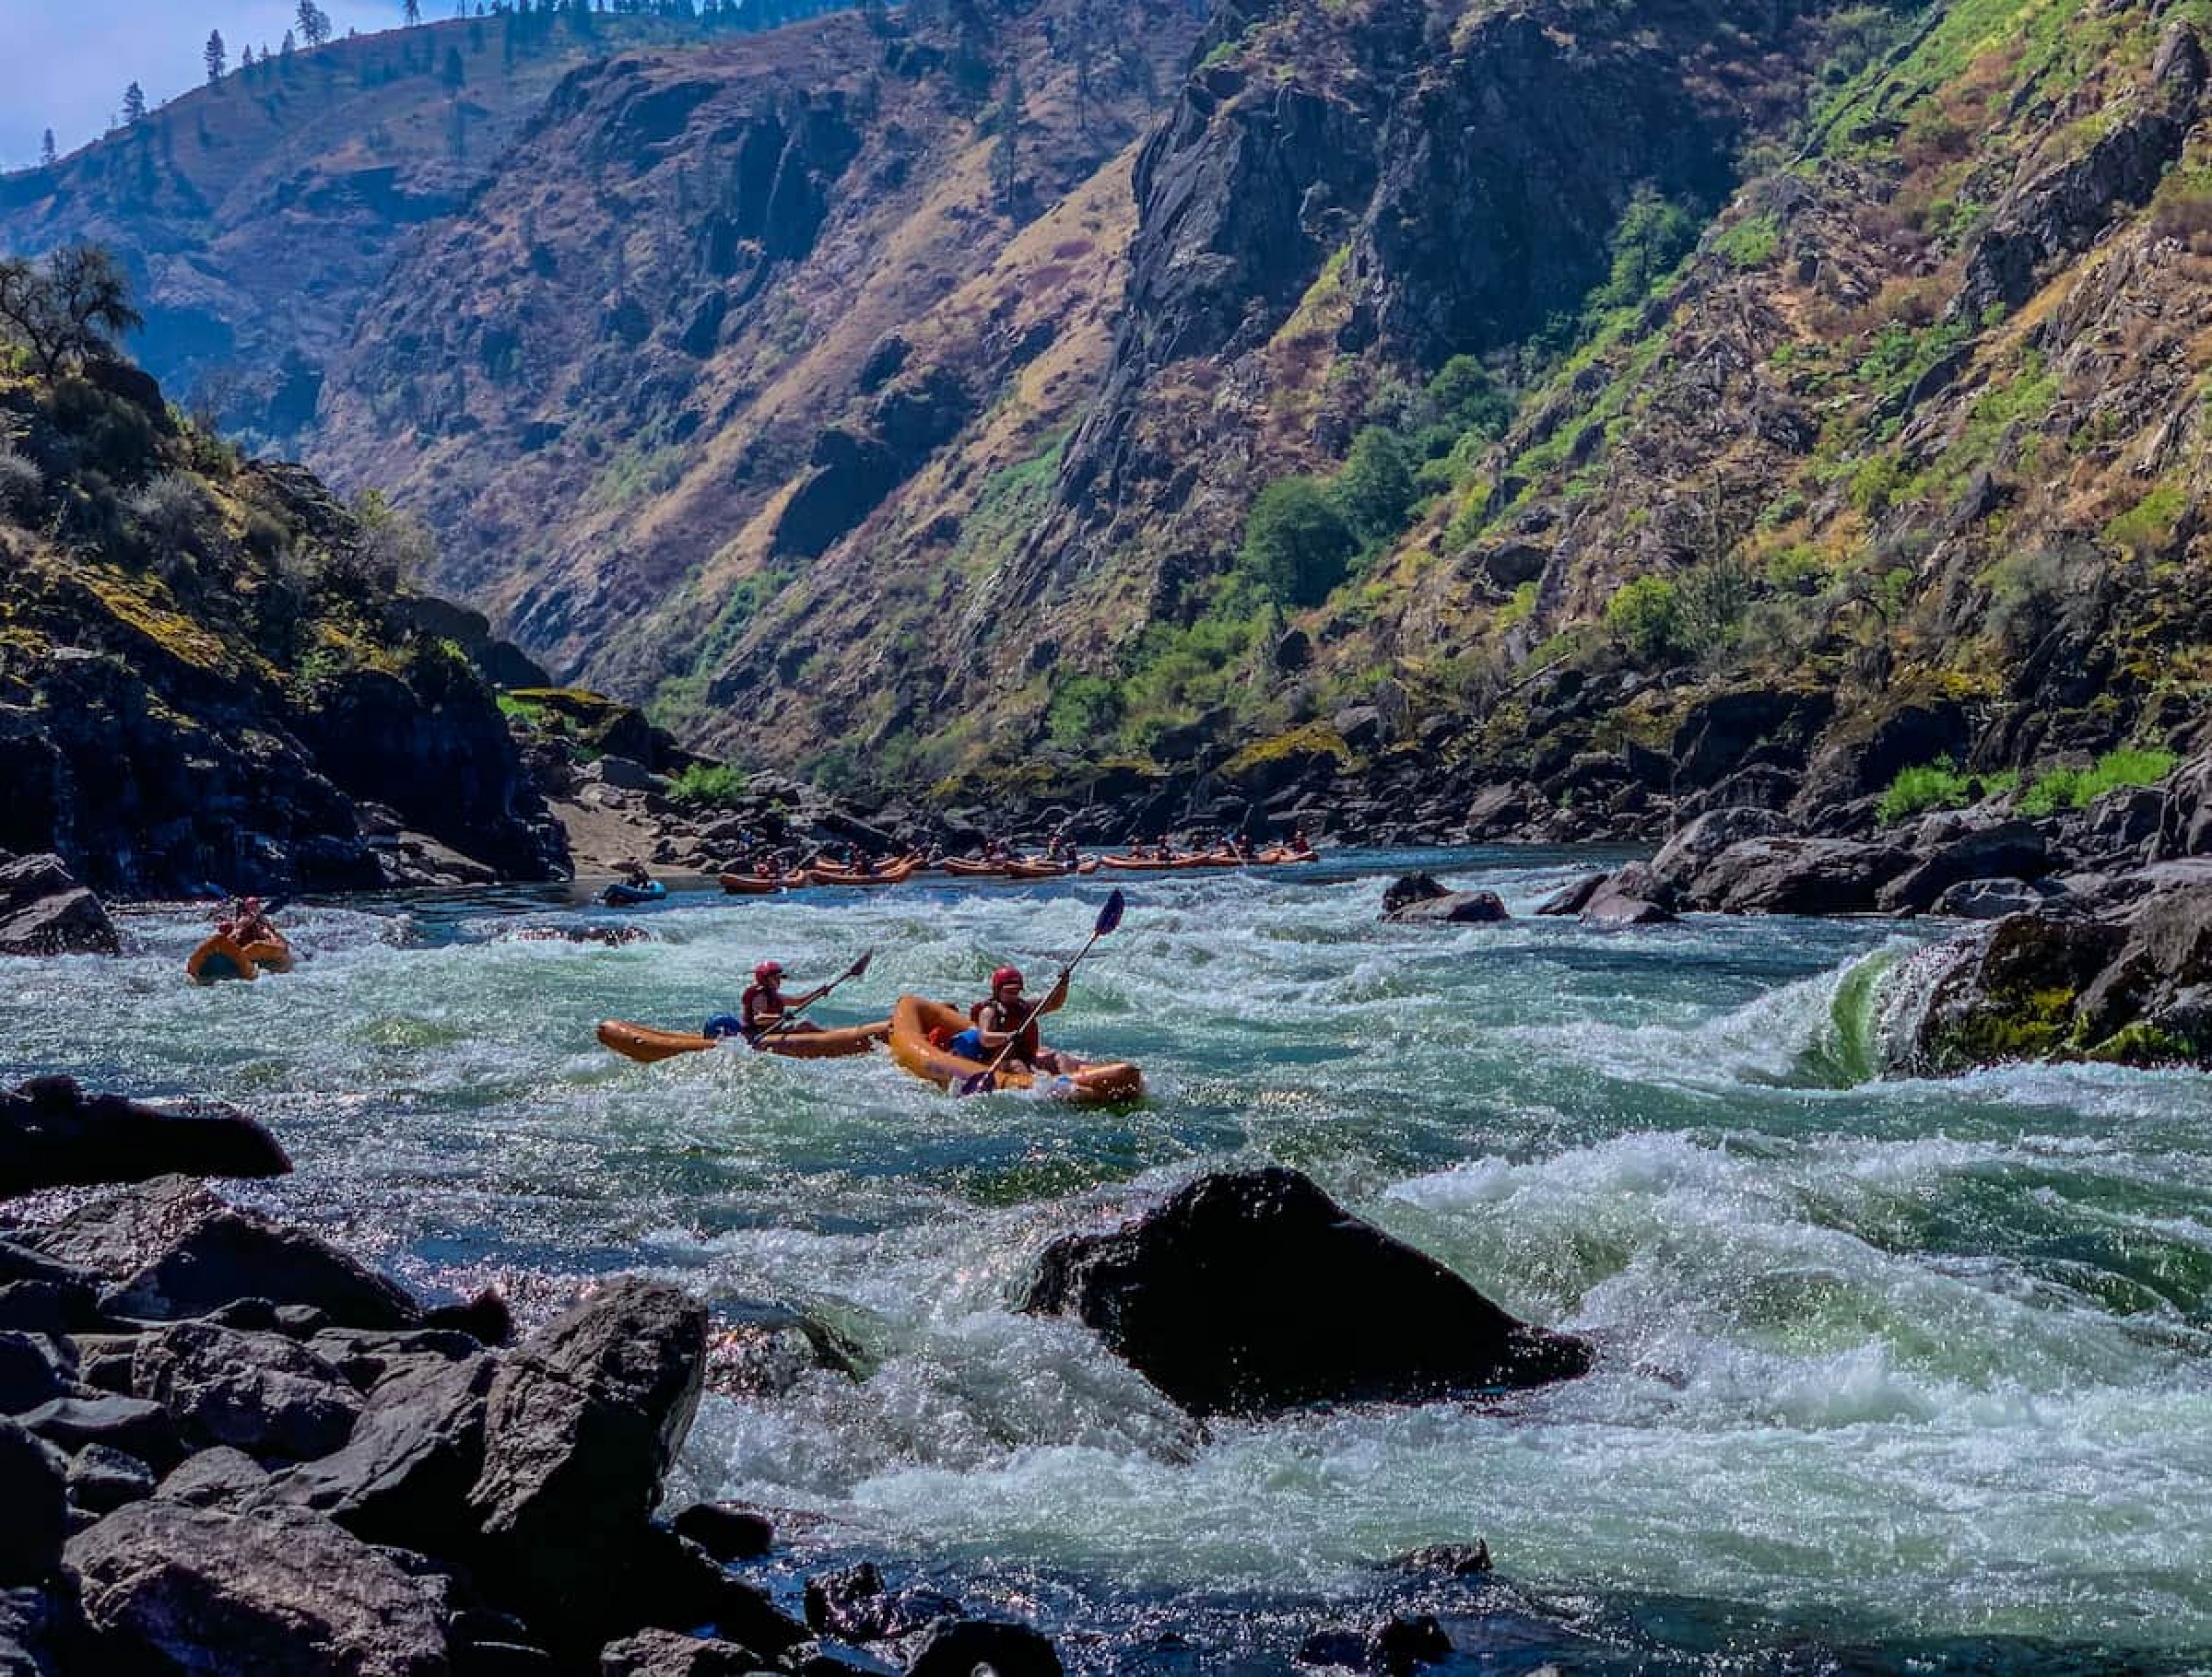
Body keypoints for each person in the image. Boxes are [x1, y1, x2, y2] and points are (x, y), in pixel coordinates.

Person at [959, 964, 1073, 1076]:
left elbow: (1055, 1003)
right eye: (1009, 992)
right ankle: (1033, 1087)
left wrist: (1063, 985)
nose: (1013, 995)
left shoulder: (1024, 1007)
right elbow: (984, 1038)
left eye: (1016, 991)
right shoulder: (989, 1012)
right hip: (998, 1061)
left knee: (1060, 1058)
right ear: (997, 990)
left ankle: (1071, 1084)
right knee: (1016, 1065)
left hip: (1026, 1058)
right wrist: (1007, 1037)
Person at [707, 960, 831, 1043]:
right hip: (756, 1034)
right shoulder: (759, 995)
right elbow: (759, 1019)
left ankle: (828, 1035)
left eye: (779, 978)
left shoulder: (773, 995)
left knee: (804, 1025)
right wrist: (781, 1016)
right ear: (765, 980)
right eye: (775, 978)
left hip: (770, 1031)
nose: (779, 981)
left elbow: (799, 1002)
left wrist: (819, 992)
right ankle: (829, 1038)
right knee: (804, 1024)